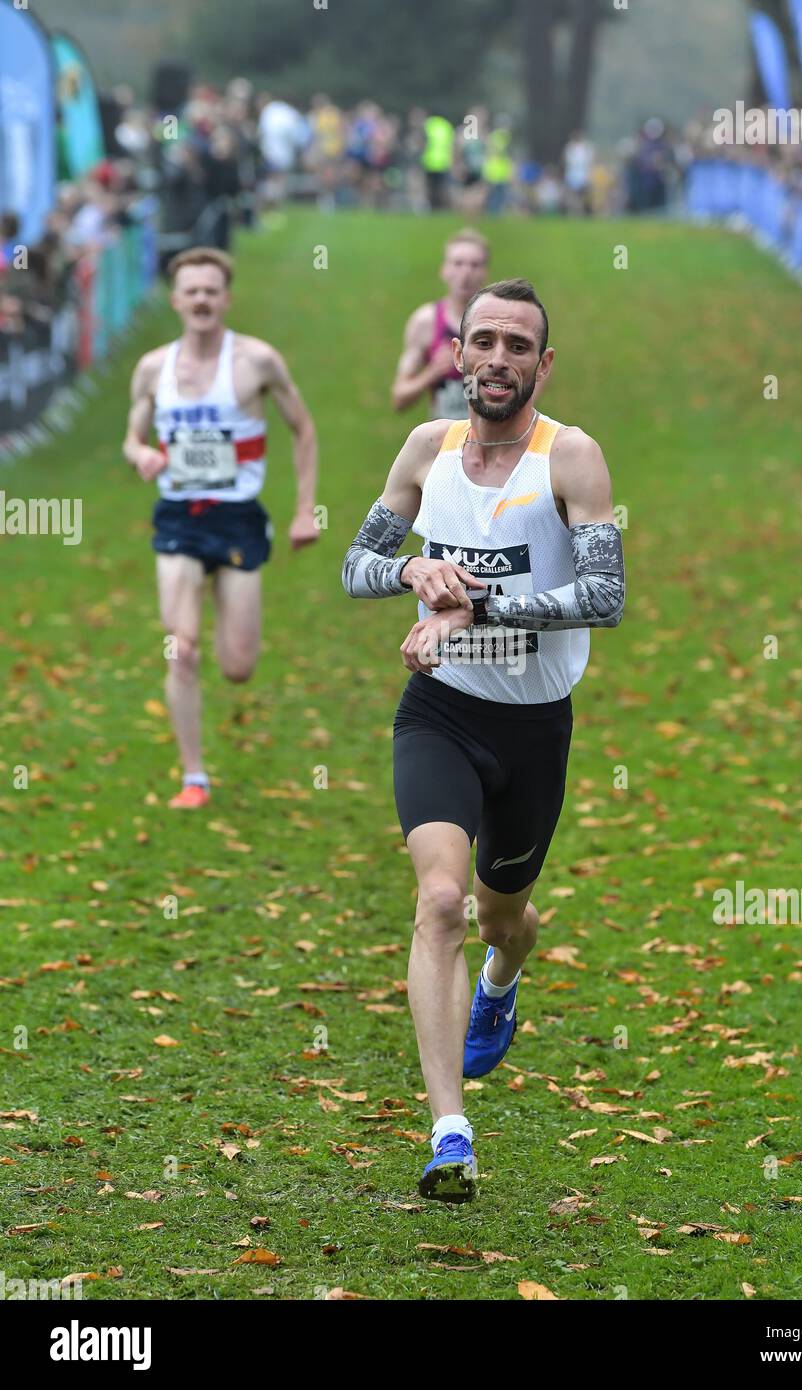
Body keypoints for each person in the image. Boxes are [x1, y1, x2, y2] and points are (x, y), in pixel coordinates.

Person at [342, 278, 625, 1202]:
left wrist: (474, 609)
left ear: (542, 365)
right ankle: (449, 1131)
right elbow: (354, 566)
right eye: (483, 342)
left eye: (517, 346)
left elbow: (603, 598)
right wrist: (410, 568)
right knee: (438, 902)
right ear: (456, 354)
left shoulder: (571, 458)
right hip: (442, 712)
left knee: (504, 915)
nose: (497, 359)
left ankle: (504, 975)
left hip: (535, 726)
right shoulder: (425, 449)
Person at [123, 246, 319, 808]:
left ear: (226, 298)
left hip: (238, 518)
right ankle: (194, 777)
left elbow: (303, 430)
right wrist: (140, 455)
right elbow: (132, 435)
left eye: (212, 290)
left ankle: (221, 625)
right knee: (179, 650)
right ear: (176, 299)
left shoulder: (257, 361)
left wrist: (305, 510)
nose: (203, 299)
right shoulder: (152, 368)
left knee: (237, 666)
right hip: (179, 516)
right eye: (192, 290)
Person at [391, 228, 489, 421]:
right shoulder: (425, 322)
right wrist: (431, 373)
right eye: (458, 263)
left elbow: (539, 370)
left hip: (493, 444)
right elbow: (399, 398)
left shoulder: (500, 321)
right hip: (444, 443)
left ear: (485, 272)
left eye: (474, 265)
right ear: (444, 270)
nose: (466, 273)